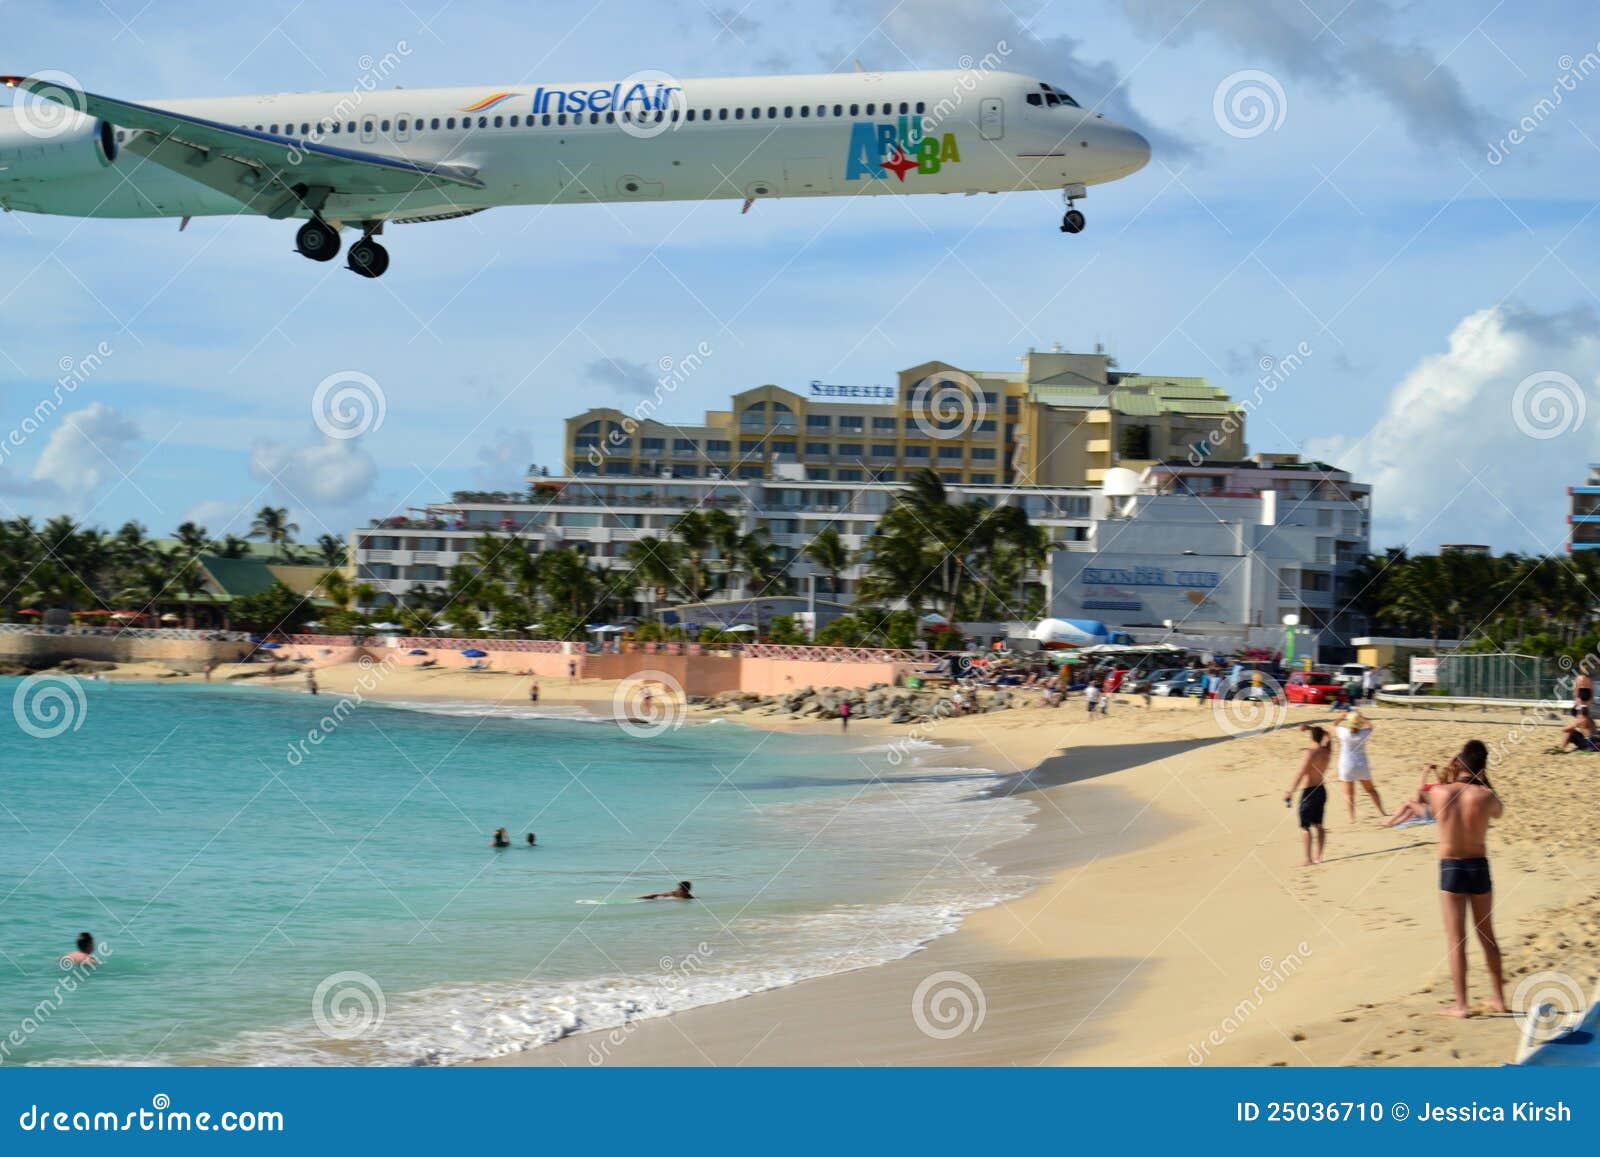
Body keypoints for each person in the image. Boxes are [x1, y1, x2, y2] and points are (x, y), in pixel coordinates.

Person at [1423, 740, 1507, 1018]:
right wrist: (1483, 780)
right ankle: (1498, 997)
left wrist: (1447, 774)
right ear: (1482, 767)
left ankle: (1461, 1004)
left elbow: (1425, 803)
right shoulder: (1484, 795)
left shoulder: (1439, 792)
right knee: (1487, 935)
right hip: (1478, 866)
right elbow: (1499, 811)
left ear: (1457, 762)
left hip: (1451, 867)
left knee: (1456, 939)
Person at [1285, 726, 1331, 866]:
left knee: (1305, 826)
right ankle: (1319, 857)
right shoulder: (1327, 751)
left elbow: (1301, 773)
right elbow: (1329, 735)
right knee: (1319, 825)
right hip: (1321, 789)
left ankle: (1308, 859)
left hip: (1309, 791)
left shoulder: (1310, 753)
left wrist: (1290, 792)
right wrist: (1312, 729)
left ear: (1311, 738)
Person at [1335, 709, 1385, 821]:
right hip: (1362, 765)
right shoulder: (1363, 734)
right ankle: (1382, 811)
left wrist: (1341, 717)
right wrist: (1361, 717)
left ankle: (1351, 818)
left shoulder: (1344, 733)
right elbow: (1370, 726)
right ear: (1359, 723)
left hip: (1346, 765)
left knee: (1349, 795)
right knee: (1371, 790)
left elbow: (1333, 726)